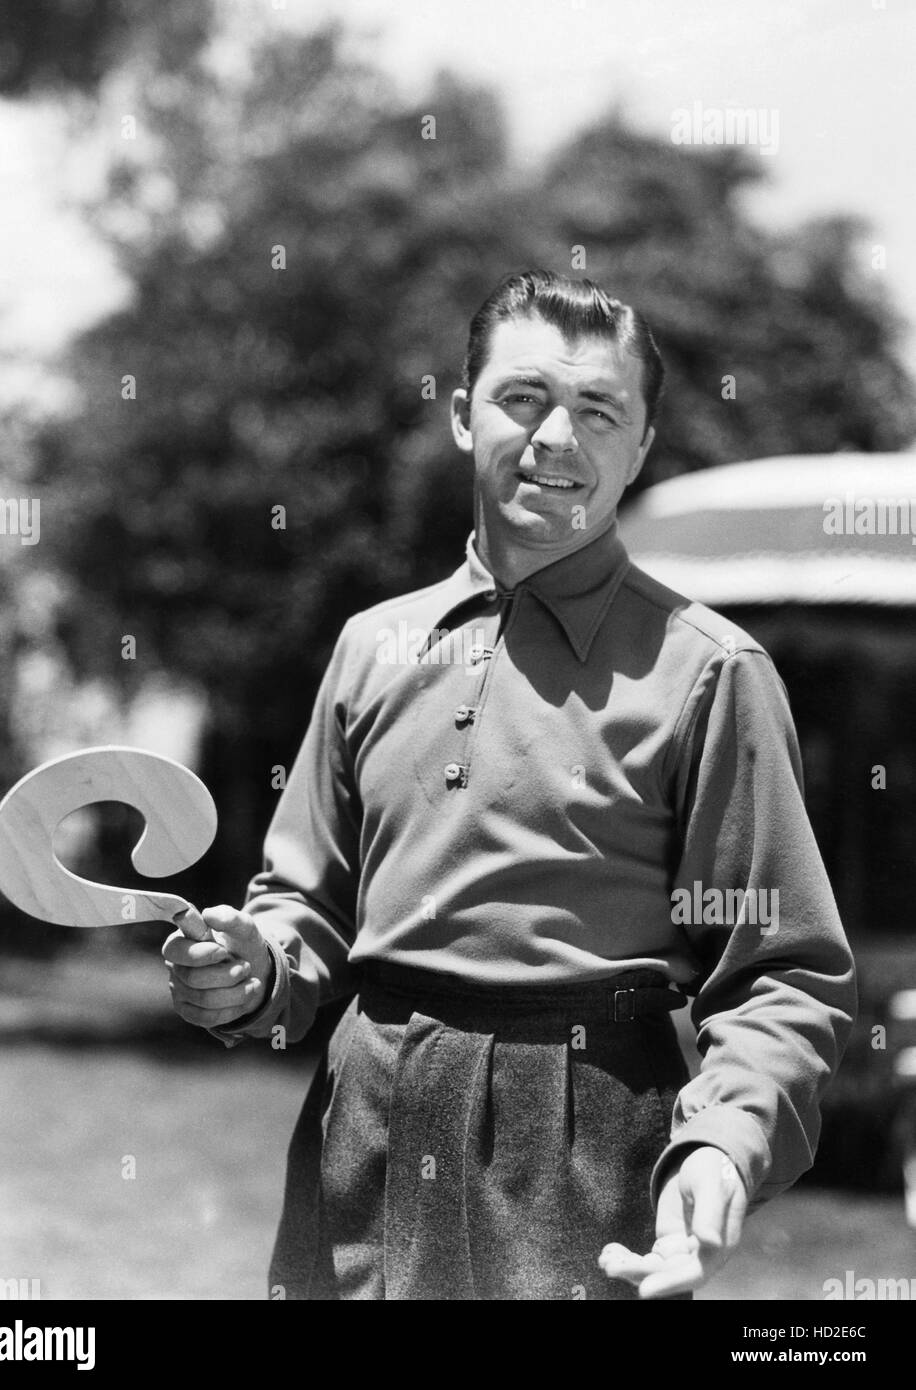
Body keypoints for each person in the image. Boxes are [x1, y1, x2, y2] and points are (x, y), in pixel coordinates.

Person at [163, 270, 857, 1301]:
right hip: (363, 1124)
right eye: (523, 398)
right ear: (460, 415)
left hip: (586, 1137)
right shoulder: (370, 647)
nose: (557, 439)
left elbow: (780, 973)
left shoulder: (712, 672)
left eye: (598, 410)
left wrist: (721, 1145)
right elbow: (306, 907)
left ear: (642, 446)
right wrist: (256, 970)